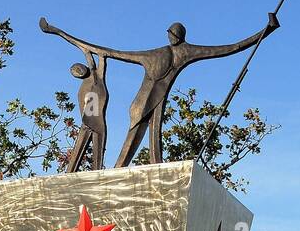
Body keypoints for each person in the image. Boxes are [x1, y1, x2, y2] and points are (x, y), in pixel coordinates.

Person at [40, 12, 279, 166]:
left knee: (153, 140)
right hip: (140, 104)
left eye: (174, 34)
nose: (172, 37)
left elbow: (228, 48)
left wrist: (263, 33)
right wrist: (58, 32)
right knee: (137, 133)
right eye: (170, 34)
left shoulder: (187, 52)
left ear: (178, 36)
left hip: (157, 102)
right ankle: (121, 170)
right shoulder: (153, 54)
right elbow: (106, 51)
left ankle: (134, 169)